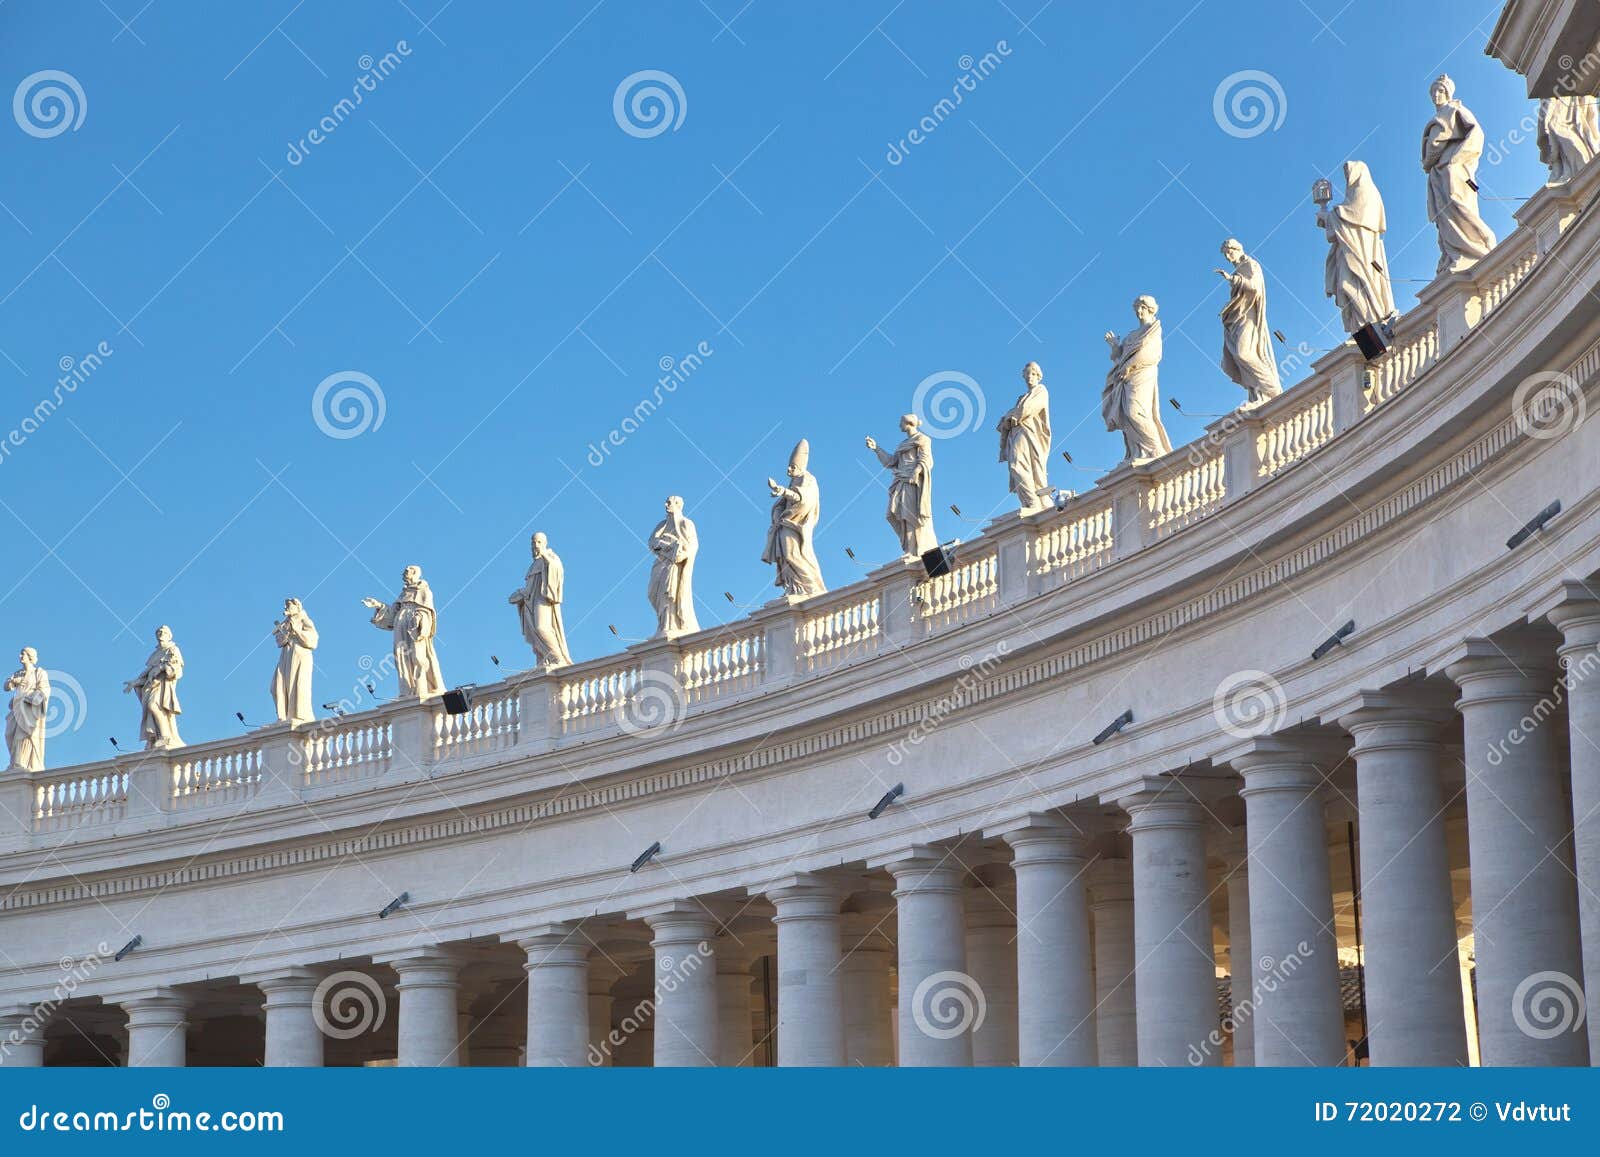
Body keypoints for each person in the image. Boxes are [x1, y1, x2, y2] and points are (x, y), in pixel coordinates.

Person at [1422, 75, 1496, 275]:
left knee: (1457, 203)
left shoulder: (1455, 109)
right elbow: (1431, 149)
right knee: (1443, 214)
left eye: (1440, 91)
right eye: (1434, 92)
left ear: (1447, 92)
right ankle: (1454, 253)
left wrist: (1458, 158)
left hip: (1453, 168)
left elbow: (1477, 133)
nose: (1436, 95)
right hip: (1437, 172)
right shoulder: (1437, 118)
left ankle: (1481, 242)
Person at [1317, 160, 1398, 335]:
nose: (1347, 179)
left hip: (1360, 251)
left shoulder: (1365, 192)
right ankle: (1360, 326)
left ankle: (1368, 322)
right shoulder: (1356, 195)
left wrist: (1328, 216)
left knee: (1351, 285)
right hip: (1349, 248)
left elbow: (1352, 215)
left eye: (1348, 174)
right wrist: (1330, 217)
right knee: (1347, 287)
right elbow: (1346, 220)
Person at [1102, 295, 1173, 463]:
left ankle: (1156, 449)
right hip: (1125, 378)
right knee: (1126, 415)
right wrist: (1114, 346)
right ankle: (1137, 452)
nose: (1139, 311)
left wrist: (1129, 366)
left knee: (1135, 411)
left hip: (1142, 373)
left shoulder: (1153, 329)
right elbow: (1118, 357)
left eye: (1142, 308)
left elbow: (1152, 354)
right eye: (1137, 308)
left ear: (1150, 309)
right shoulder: (1130, 336)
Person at [1216, 239, 1282, 407]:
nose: (1227, 256)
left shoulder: (1250, 264)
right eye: (1225, 254)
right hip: (1237, 318)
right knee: (1239, 355)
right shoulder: (1239, 268)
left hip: (1249, 317)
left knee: (1244, 353)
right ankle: (1257, 395)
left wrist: (1233, 279)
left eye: (1229, 252)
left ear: (1237, 249)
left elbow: (1254, 287)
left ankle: (1272, 389)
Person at [363, 566, 446, 699]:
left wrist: (419, 618)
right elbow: (392, 615)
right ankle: (407, 690)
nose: (403, 573)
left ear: (415, 573)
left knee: (417, 655)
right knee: (401, 657)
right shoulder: (403, 593)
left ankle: (421, 688)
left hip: (413, 626)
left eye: (406, 571)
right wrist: (378, 605)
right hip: (400, 626)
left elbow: (427, 610)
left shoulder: (423, 590)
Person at [865, 414, 937, 559]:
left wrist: (915, 474)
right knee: (892, 514)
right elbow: (891, 462)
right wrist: (876, 449)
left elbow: (926, 460)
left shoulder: (922, 439)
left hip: (912, 481)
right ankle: (908, 547)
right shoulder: (902, 444)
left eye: (901, 423)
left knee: (910, 514)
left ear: (909, 423)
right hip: (900, 480)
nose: (899, 426)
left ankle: (914, 550)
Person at [763, 439, 826, 597]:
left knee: (794, 554)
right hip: (785, 523)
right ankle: (794, 587)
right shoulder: (794, 480)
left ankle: (811, 587)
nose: (789, 470)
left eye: (793, 467)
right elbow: (782, 504)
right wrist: (779, 505)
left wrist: (783, 491)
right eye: (789, 466)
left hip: (795, 525)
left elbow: (802, 498)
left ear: (801, 466)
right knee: (786, 557)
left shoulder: (808, 480)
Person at [509, 533, 573, 668]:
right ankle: (544, 659)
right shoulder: (534, 565)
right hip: (530, 601)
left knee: (542, 628)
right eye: (533, 543)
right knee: (535, 631)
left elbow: (557, 570)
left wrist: (544, 555)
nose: (535, 546)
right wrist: (520, 594)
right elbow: (530, 587)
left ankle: (557, 658)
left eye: (538, 542)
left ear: (545, 543)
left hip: (543, 599)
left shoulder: (551, 557)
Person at [998, 361, 1052, 512]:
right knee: (1017, 466)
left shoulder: (1041, 390)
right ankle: (1029, 502)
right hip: (1017, 432)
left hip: (1029, 433)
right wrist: (1007, 418)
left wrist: (1011, 416)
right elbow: (1018, 410)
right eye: (1027, 374)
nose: (1030, 377)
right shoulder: (1022, 397)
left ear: (1038, 376)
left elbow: (1029, 408)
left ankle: (1032, 501)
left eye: (1033, 374)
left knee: (1017, 464)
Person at [124, 625, 184, 750]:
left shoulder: (173, 650)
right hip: (151, 686)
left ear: (169, 635)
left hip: (163, 686)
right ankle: (156, 737)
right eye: (158, 632)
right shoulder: (156, 654)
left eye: (163, 632)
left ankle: (165, 736)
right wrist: (134, 683)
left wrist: (162, 668)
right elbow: (147, 674)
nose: (160, 634)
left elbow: (177, 670)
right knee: (150, 710)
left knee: (154, 706)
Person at [647, 497, 700, 638]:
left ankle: (669, 626)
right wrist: (666, 545)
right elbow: (652, 541)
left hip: (674, 565)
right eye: (666, 502)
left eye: (669, 502)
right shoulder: (662, 525)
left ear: (678, 505)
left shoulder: (686, 523)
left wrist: (680, 554)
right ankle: (662, 625)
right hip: (660, 563)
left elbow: (692, 545)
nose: (666, 505)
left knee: (669, 592)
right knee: (653, 593)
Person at [270, 598, 318, 726]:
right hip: (286, 655)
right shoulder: (285, 623)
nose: (286, 609)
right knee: (276, 686)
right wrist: (285, 632)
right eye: (286, 606)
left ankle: (299, 715)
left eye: (289, 606)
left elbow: (313, 641)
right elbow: (280, 642)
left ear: (297, 607)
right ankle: (283, 716)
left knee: (296, 684)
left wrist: (296, 630)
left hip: (300, 655)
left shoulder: (304, 620)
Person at [4, 647, 49, 771]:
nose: (20, 656)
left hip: (29, 708)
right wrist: (14, 681)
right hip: (16, 707)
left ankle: (19, 764)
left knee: (22, 736)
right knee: (9, 734)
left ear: (30, 656)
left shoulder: (39, 672)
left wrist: (33, 698)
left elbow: (45, 689)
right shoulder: (18, 673)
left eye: (22, 654)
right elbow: (6, 687)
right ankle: (15, 762)